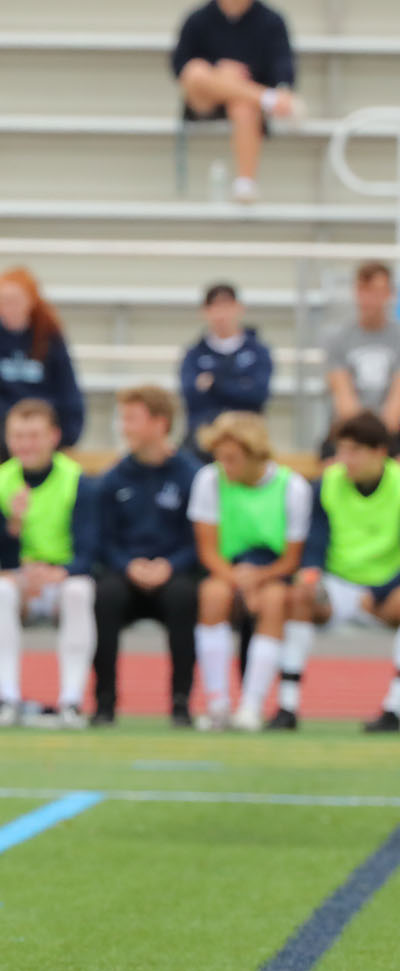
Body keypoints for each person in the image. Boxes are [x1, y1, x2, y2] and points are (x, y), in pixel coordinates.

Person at [276, 413, 400, 733]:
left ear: (378, 451)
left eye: (353, 451)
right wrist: (311, 573)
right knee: (298, 595)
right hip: (337, 587)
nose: (344, 459)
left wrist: (381, 591)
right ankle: (286, 707)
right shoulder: (327, 483)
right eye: (341, 450)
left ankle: (394, 709)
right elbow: (315, 540)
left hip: (385, 591)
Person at [189, 410, 310, 731]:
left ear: (256, 456)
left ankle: (251, 706)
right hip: (229, 570)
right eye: (220, 457)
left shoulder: (292, 487)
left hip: (271, 571)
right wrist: (240, 581)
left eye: (232, 458)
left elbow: (291, 558)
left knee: (274, 602)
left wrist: (258, 578)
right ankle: (217, 703)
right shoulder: (209, 480)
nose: (224, 465)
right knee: (212, 595)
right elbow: (208, 549)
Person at [91, 386, 202, 728]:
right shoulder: (112, 478)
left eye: (131, 419)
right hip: (127, 576)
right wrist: (129, 565)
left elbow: (200, 540)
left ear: (159, 423)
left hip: (174, 575)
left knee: (185, 597)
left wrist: (172, 566)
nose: (124, 427)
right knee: (105, 596)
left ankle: (181, 703)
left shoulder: (193, 476)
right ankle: (104, 704)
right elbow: (103, 542)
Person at [0, 399, 97, 730]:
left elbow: (90, 548)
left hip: (64, 575)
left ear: (54, 436)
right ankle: (8, 700)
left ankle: (71, 702)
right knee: (2, 591)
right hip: (23, 577)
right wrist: (14, 524)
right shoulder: (1, 480)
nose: (25, 444)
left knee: (79, 592)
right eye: (18, 436)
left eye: (34, 435)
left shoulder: (76, 480)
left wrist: (59, 573)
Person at [171, 0, 301, 203]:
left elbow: (282, 62)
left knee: (243, 106)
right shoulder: (198, 19)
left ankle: (245, 181)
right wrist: (219, 70)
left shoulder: (272, 21)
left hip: (246, 104)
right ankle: (265, 97)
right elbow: (180, 66)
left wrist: (282, 87)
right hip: (205, 98)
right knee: (195, 71)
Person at [0, 268, 83, 457]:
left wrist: (70, 435)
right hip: (6, 419)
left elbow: (68, 387)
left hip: (45, 414)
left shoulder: (49, 334)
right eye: (2, 301)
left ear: (31, 301)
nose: (8, 308)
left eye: (14, 301)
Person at [180, 283, 273, 452]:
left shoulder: (258, 352)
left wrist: (215, 385)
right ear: (205, 311)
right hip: (204, 438)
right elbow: (192, 397)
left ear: (239, 308)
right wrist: (239, 385)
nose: (221, 314)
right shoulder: (194, 354)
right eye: (215, 307)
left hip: (248, 438)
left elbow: (257, 395)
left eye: (226, 306)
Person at [324, 262, 400, 441]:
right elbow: (344, 401)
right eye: (363, 290)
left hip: (392, 432)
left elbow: (396, 405)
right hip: (351, 431)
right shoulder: (338, 337)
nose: (368, 299)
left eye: (375, 292)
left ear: (389, 294)